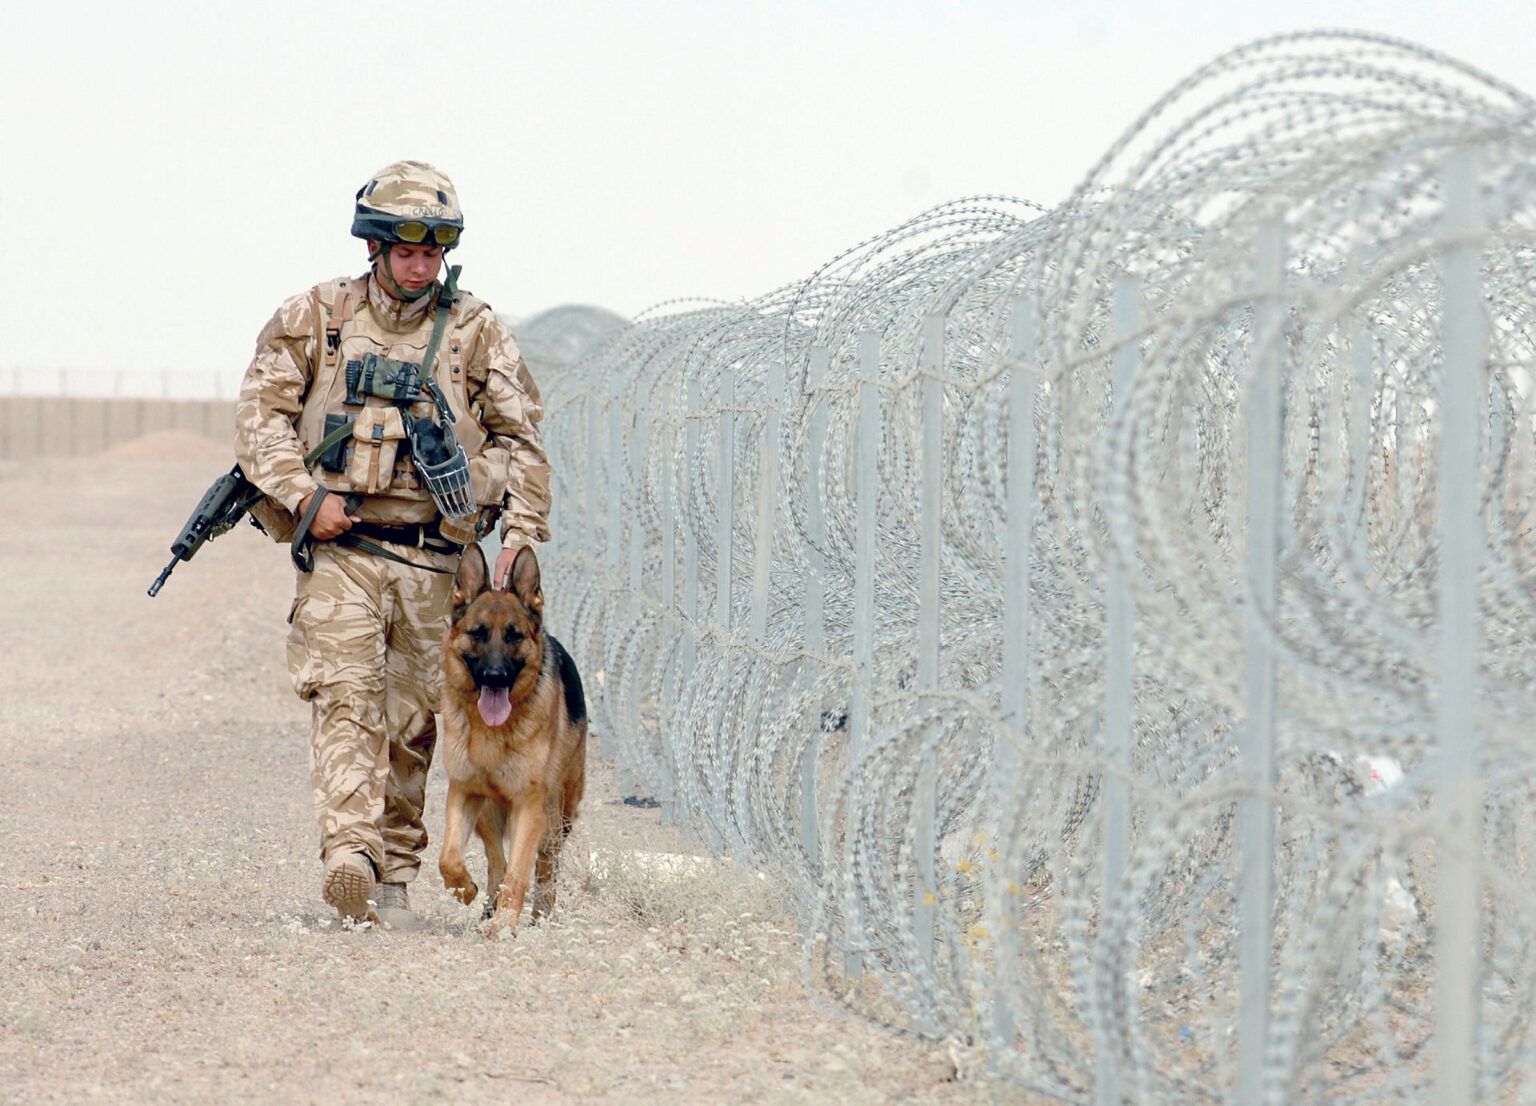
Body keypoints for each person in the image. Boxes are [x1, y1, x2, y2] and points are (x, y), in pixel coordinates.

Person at [234, 160, 551, 928]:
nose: (421, 266)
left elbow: (524, 438)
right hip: (343, 549)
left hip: (435, 558)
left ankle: (397, 871)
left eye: (433, 252)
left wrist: (518, 538)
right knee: (346, 698)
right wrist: (307, 496)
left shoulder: (475, 332)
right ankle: (350, 852)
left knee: (414, 722)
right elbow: (259, 419)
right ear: (375, 248)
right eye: (407, 251)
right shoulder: (317, 318)